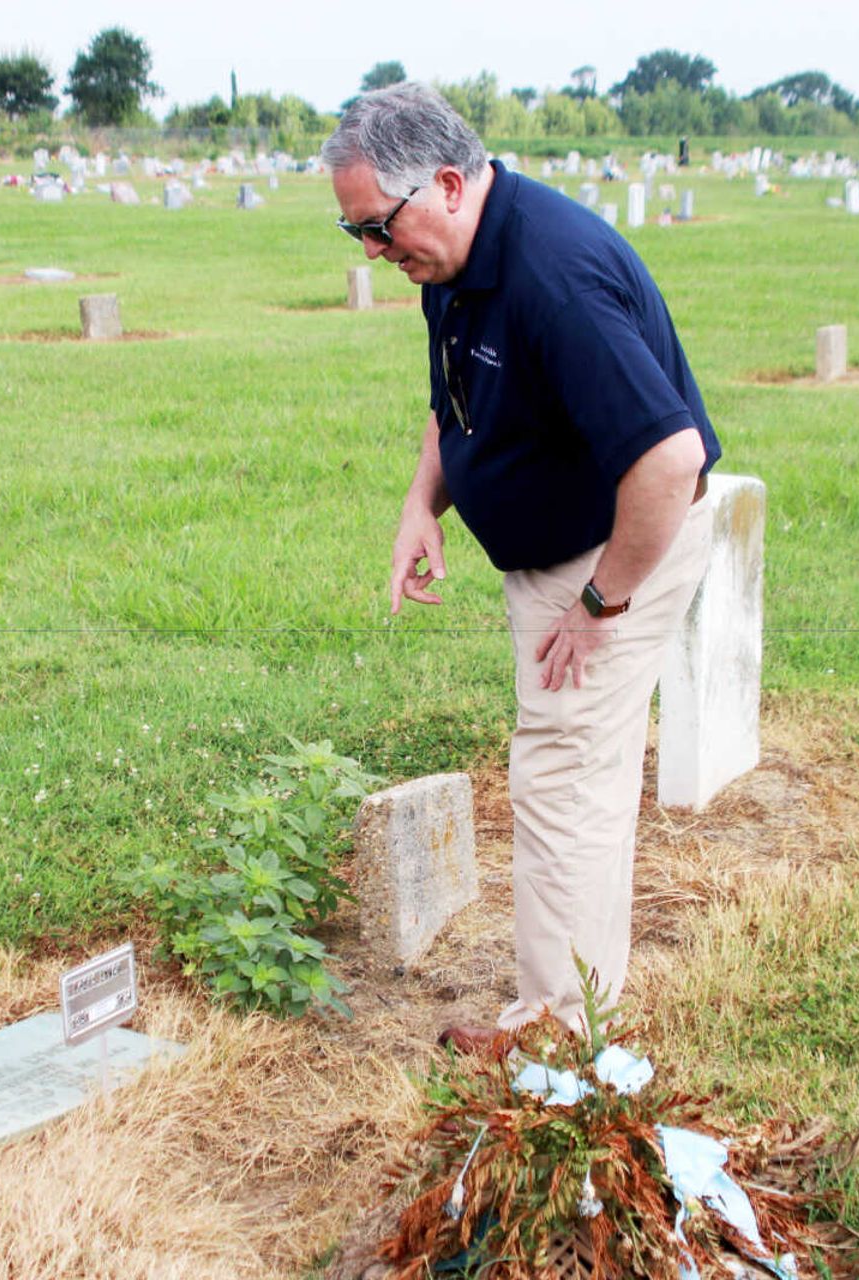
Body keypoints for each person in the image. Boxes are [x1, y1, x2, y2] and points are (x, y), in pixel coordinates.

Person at [323, 84, 723, 1049]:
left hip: (613, 553)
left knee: (566, 781)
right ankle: (571, 1016)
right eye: (357, 236)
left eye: (379, 228)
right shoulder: (453, 256)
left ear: (449, 183)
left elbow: (671, 461)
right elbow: (451, 395)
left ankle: (558, 1042)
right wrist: (426, 503)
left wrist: (600, 603)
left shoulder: (554, 274)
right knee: (568, 772)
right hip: (570, 552)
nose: (376, 254)